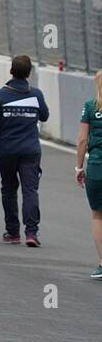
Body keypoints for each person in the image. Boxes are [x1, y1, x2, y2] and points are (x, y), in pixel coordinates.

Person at [0, 55, 50, 247]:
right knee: (30, 190)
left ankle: (13, 232)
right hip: (30, 150)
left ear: (11, 71)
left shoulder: (0, 95)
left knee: (8, 189)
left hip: (7, 150)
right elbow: (45, 116)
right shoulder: (36, 94)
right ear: (29, 73)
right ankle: (31, 233)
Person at [73, 72, 102, 279]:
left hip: (97, 166)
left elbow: (82, 139)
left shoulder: (91, 107)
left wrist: (79, 167)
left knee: (98, 214)